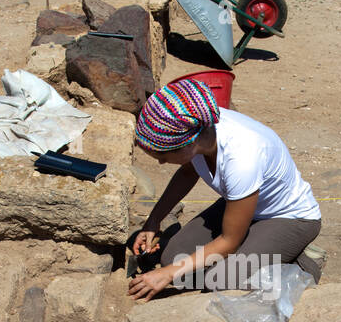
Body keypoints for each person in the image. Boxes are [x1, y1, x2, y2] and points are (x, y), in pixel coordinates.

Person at [128, 78, 323, 302]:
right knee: (173, 258)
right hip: (243, 205)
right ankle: (256, 254)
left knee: (219, 281)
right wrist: (154, 221)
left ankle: (301, 263)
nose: (161, 163)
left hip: (289, 218)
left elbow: (229, 241)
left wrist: (167, 274)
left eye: (163, 155)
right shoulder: (200, 129)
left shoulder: (242, 158)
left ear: (189, 144)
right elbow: (188, 173)